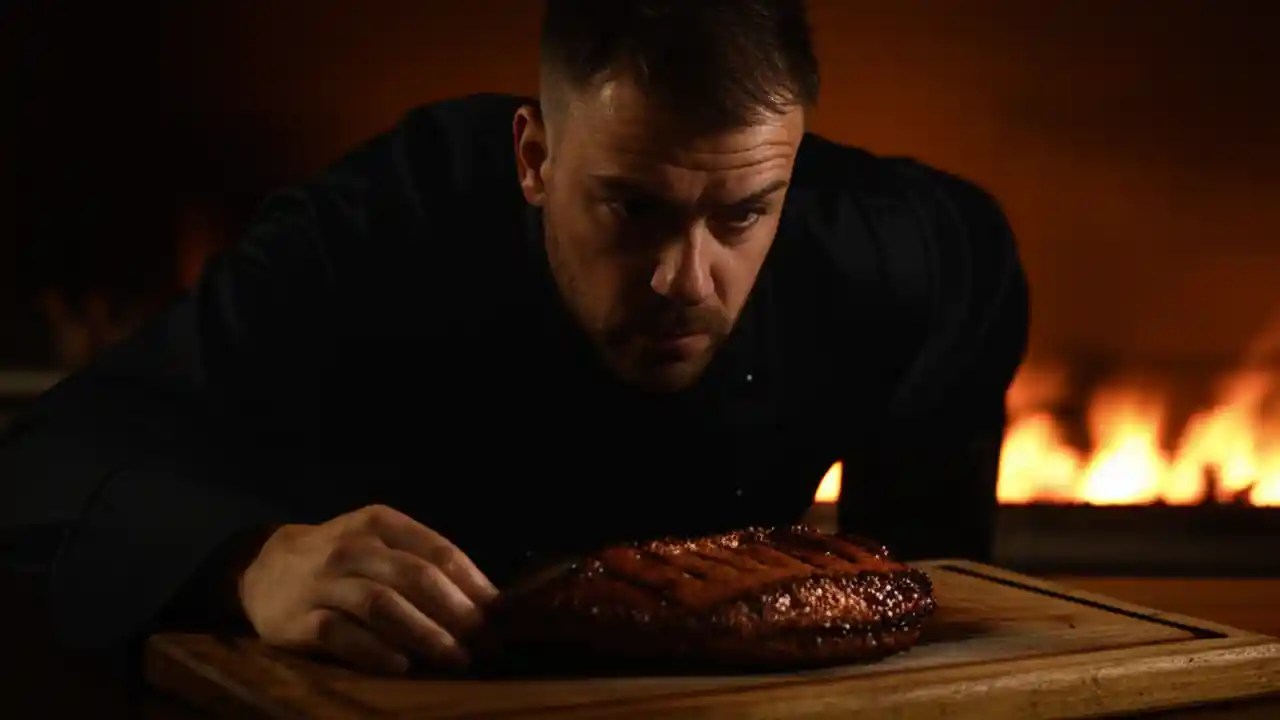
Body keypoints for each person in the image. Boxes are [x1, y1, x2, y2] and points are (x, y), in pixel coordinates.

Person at [1, 0, 1028, 679]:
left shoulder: (909, 253)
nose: (684, 278)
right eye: (629, 209)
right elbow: (48, 463)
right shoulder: (379, 224)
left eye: (742, 215)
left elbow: (928, 617)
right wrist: (246, 561)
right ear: (534, 157)